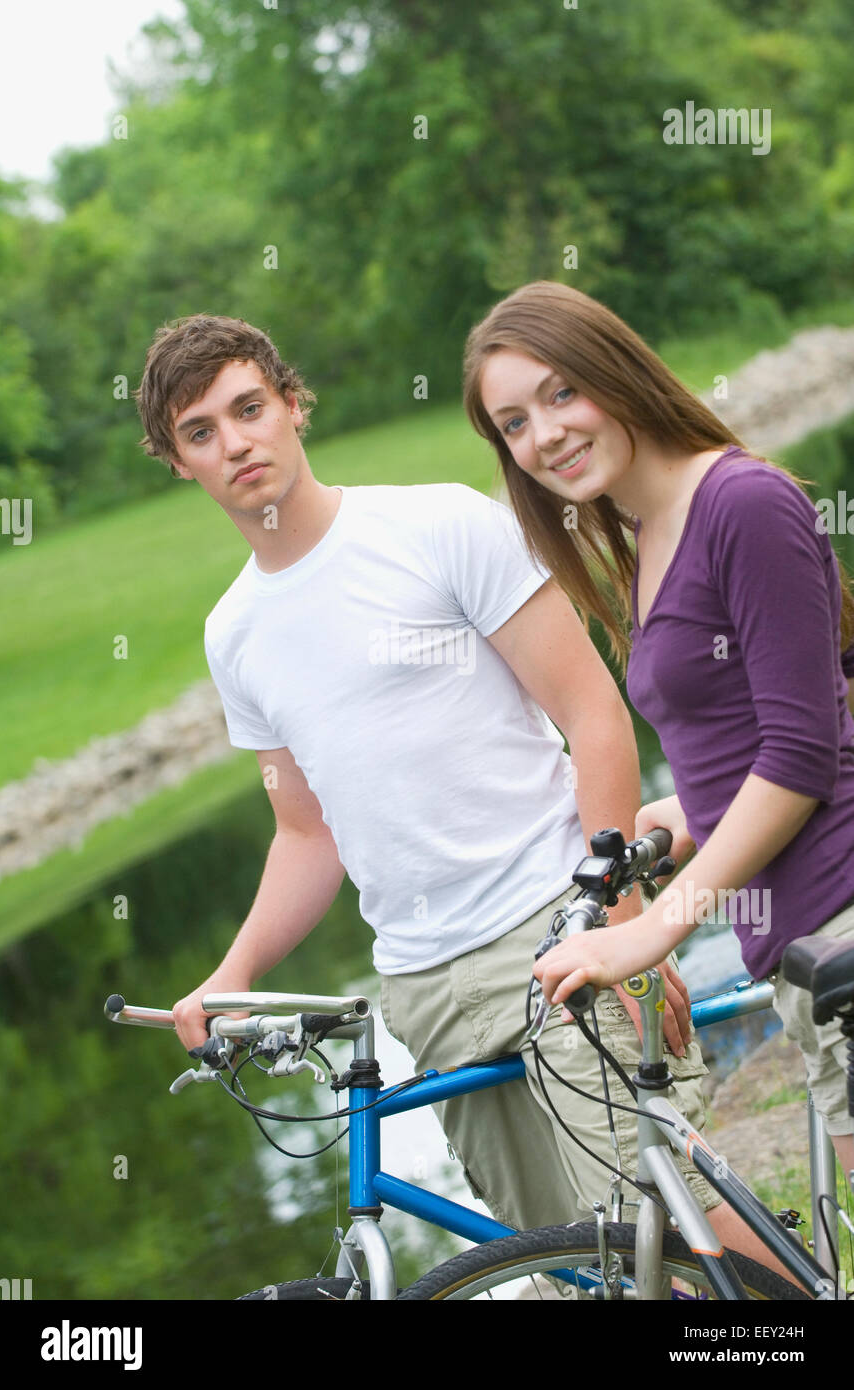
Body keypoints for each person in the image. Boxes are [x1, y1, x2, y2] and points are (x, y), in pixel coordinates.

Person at [134, 312, 760, 1259]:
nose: (235, 443)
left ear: (293, 404)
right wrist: (235, 972)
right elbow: (307, 834)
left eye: (248, 408)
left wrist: (620, 914)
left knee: (665, 1231)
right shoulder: (235, 637)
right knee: (563, 1261)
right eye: (200, 432)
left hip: (558, 923)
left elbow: (593, 714)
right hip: (423, 988)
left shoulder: (440, 524)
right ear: (178, 461)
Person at [463, 279, 854, 1182]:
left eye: (562, 392)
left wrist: (655, 931)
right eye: (513, 423)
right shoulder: (652, 537)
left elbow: (799, 755)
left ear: (617, 371)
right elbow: (797, 704)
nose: (545, 434)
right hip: (801, 954)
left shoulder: (737, 504)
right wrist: (694, 805)